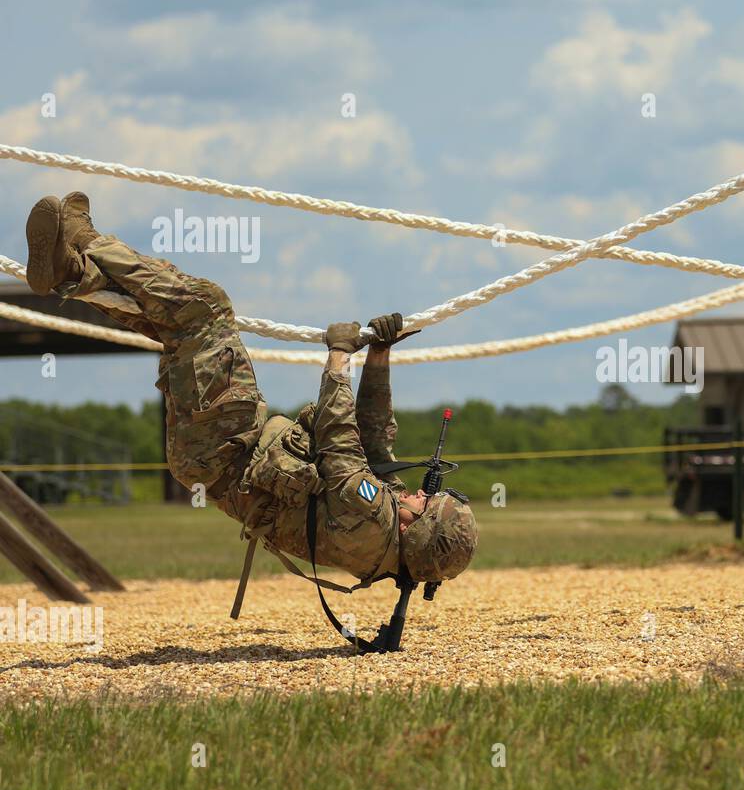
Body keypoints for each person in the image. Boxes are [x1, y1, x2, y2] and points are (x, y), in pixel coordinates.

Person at [23, 192, 477, 594]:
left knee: (206, 309)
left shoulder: (372, 523)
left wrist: (340, 354)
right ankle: (74, 272)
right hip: (225, 446)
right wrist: (379, 355)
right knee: (179, 328)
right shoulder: (387, 530)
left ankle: (89, 242)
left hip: (225, 446)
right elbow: (375, 439)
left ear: (418, 529)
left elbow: (341, 441)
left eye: (426, 503)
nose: (420, 493)